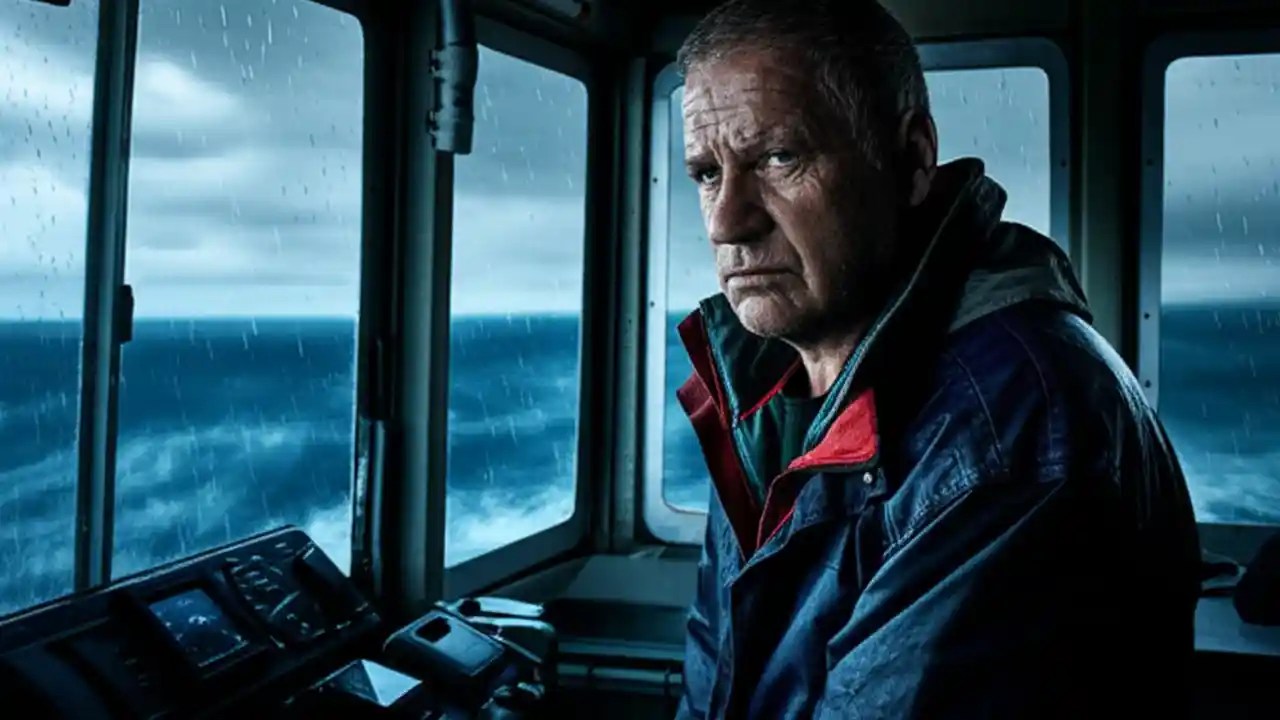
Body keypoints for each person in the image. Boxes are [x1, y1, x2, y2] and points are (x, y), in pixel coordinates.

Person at [672, 1, 1202, 718]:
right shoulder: (766, 394)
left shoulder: (1010, 424)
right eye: (707, 173)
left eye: (779, 157)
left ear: (913, 159)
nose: (727, 221)